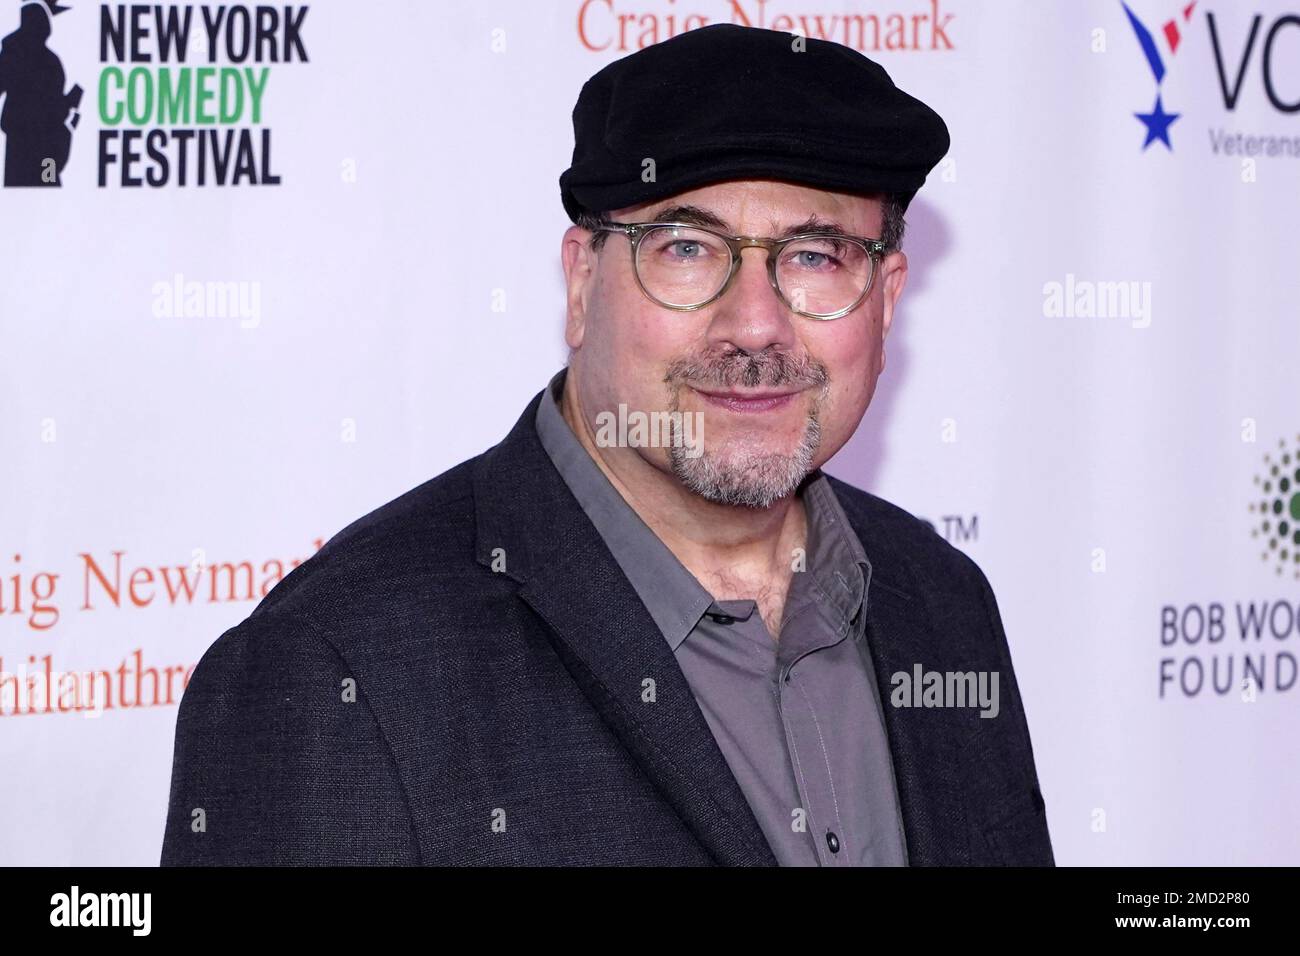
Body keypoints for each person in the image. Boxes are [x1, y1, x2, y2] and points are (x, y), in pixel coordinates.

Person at [161, 23, 1053, 866]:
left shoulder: (941, 599)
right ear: (582, 281)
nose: (754, 326)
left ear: (887, 299)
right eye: (687, 250)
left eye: (817, 256)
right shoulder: (336, 673)